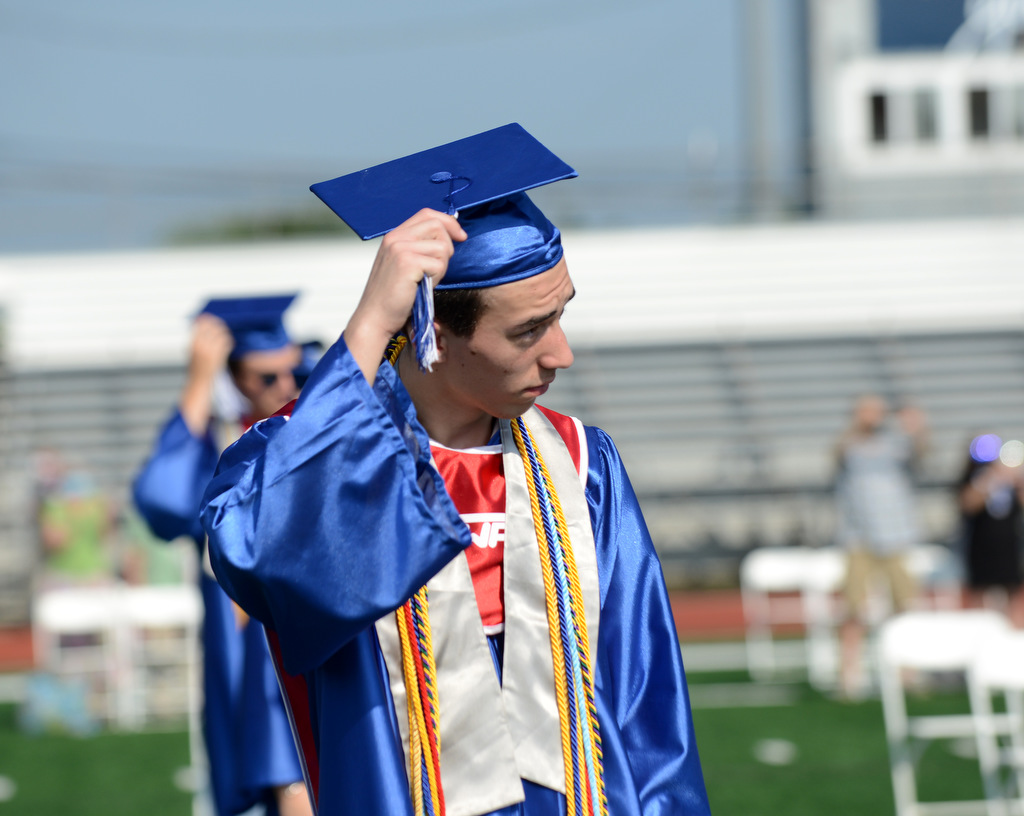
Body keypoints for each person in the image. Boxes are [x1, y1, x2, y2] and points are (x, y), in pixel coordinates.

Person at [200, 124, 710, 816]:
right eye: (528, 331)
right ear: (433, 332)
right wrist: (368, 326)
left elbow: (646, 697)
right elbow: (257, 551)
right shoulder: (306, 454)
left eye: (560, 317)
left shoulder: (583, 463)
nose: (561, 354)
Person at [133, 295, 314, 816]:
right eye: (266, 377)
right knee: (281, 778)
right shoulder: (221, 447)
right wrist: (198, 380)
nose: (286, 385)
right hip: (247, 646)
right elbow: (163, 503)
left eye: (296, 371)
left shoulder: (314, 428)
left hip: (314, 628)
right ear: (234, 379)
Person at [834, 394, 927, 698]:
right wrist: (859, 425)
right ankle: (849, 676)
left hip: (896, 537)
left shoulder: (897, 444)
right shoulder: (850, 443)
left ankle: (908, 672)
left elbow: (920, 454)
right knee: (854, 608)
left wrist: (917, 429)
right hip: (859, 538)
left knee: (904, 605)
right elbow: (839, 453)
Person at [958, 433, 1024, 625]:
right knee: (979, 596)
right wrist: (991, 480)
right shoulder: (976, 476)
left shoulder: (1014, 482)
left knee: (1012, 596)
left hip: (1009, 548)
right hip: (981, 548)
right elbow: (967, 504)